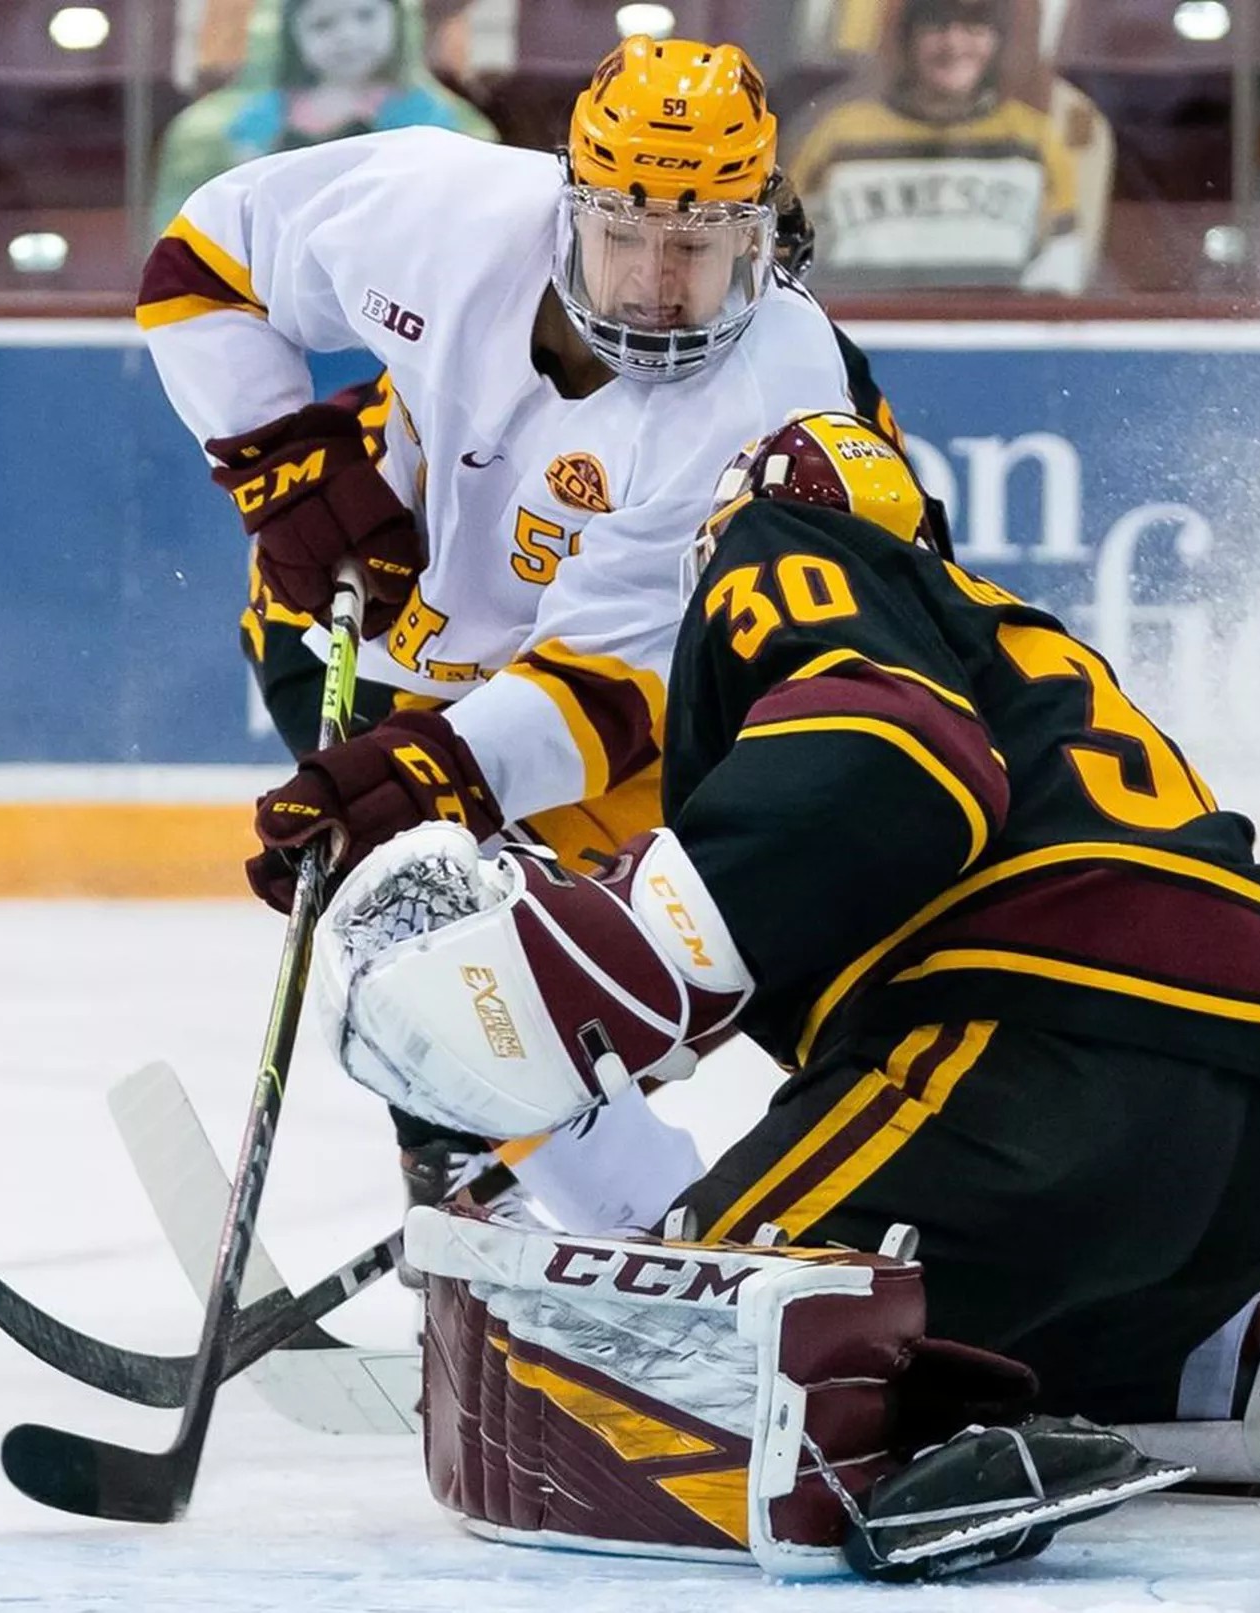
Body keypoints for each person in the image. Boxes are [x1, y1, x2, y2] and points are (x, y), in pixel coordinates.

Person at [318, 410, 1260, 1432]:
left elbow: (887, 750)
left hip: (1044, 1067)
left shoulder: (783, 543)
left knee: (667, 1358)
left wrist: (630, 947)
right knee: (959, 1363)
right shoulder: (1011, 642)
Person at [139, 36, 889, 1213]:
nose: (653, 283)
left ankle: (695, 1210)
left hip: (594, 704)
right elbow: (202, 262)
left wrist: (437, 773)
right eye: (625, 235)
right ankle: (517, 1180)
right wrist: (278, 461)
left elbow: (608, 683)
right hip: (361, 618)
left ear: (758, 239)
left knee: (720, 946)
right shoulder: (444, 205)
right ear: (567, 204)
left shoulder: (779, 388)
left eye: (696, 247)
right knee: (423, 922)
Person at [784, 0, 1100, 293]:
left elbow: (1061, 265)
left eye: (975, 26)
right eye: (936, 25)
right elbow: (790, 255)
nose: (954, 44)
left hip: (996, 330)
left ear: (998, 41)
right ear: (908, 39)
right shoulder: (837, 136)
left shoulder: (1035, 140)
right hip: (860, 328)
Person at [149, 0, 493, 238]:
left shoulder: (432, 115)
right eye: (323, 24)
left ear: (398, 20)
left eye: (365, 15)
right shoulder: (251, 117)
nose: (348, 35)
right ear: (289, 33)